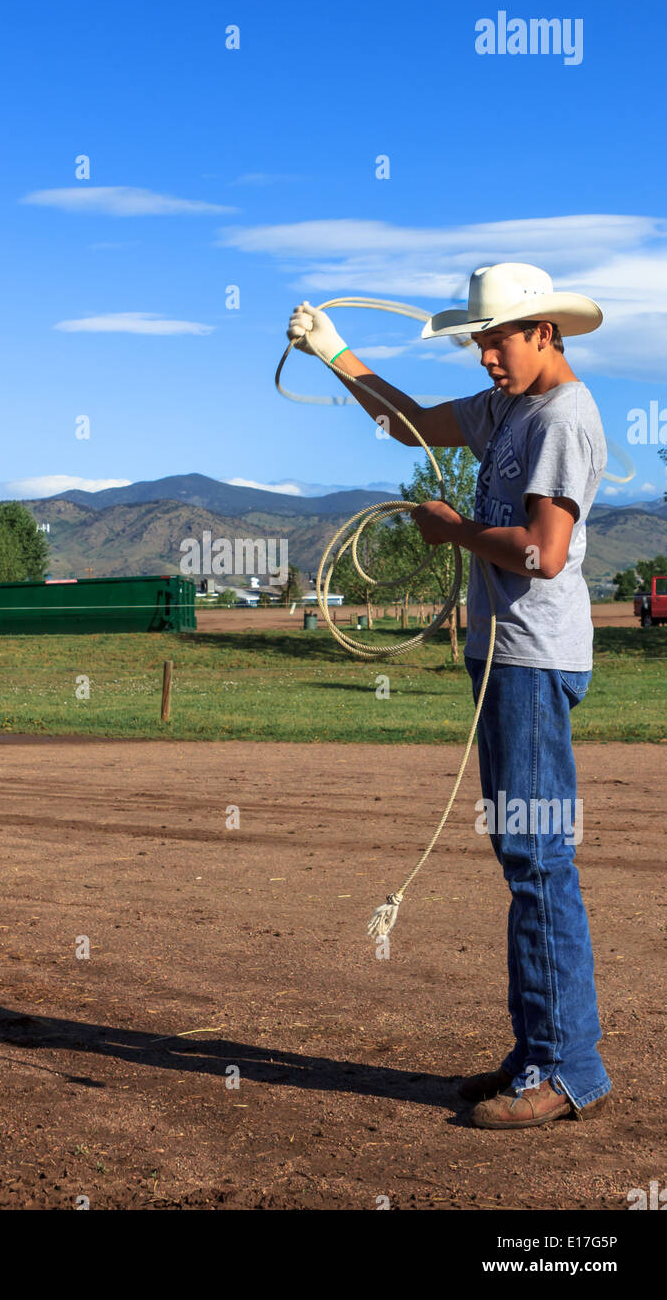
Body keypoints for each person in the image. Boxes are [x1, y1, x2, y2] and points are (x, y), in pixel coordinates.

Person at [287, 263, 612, 1129]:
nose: (485, 358)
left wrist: (455, 530)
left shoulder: (562, 418)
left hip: (533, 660)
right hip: (507, 655)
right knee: (524, 857)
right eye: (478, 342)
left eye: (496, 340)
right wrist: (335, 355)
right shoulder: (507, 407)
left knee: (539, 858)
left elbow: (543, 551)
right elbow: (411, 427)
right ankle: (538, 1048)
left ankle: (567, 1067)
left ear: (545, 331)